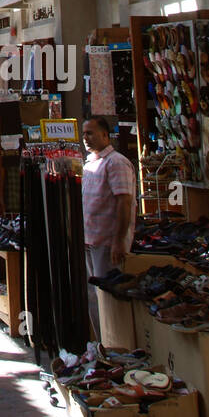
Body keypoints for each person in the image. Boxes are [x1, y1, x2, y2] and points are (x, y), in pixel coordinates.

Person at [82, 115, 135, 336]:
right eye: (84, 134)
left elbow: (124, 201)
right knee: (95, 297)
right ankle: (103, 344)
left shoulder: (116, 162)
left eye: (91, 133)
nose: (86, 138)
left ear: (105, 135)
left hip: (107, 242)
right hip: (90, 239)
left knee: (108, 297)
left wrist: (118, 240)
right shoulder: (91, 163)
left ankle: (116, 342)